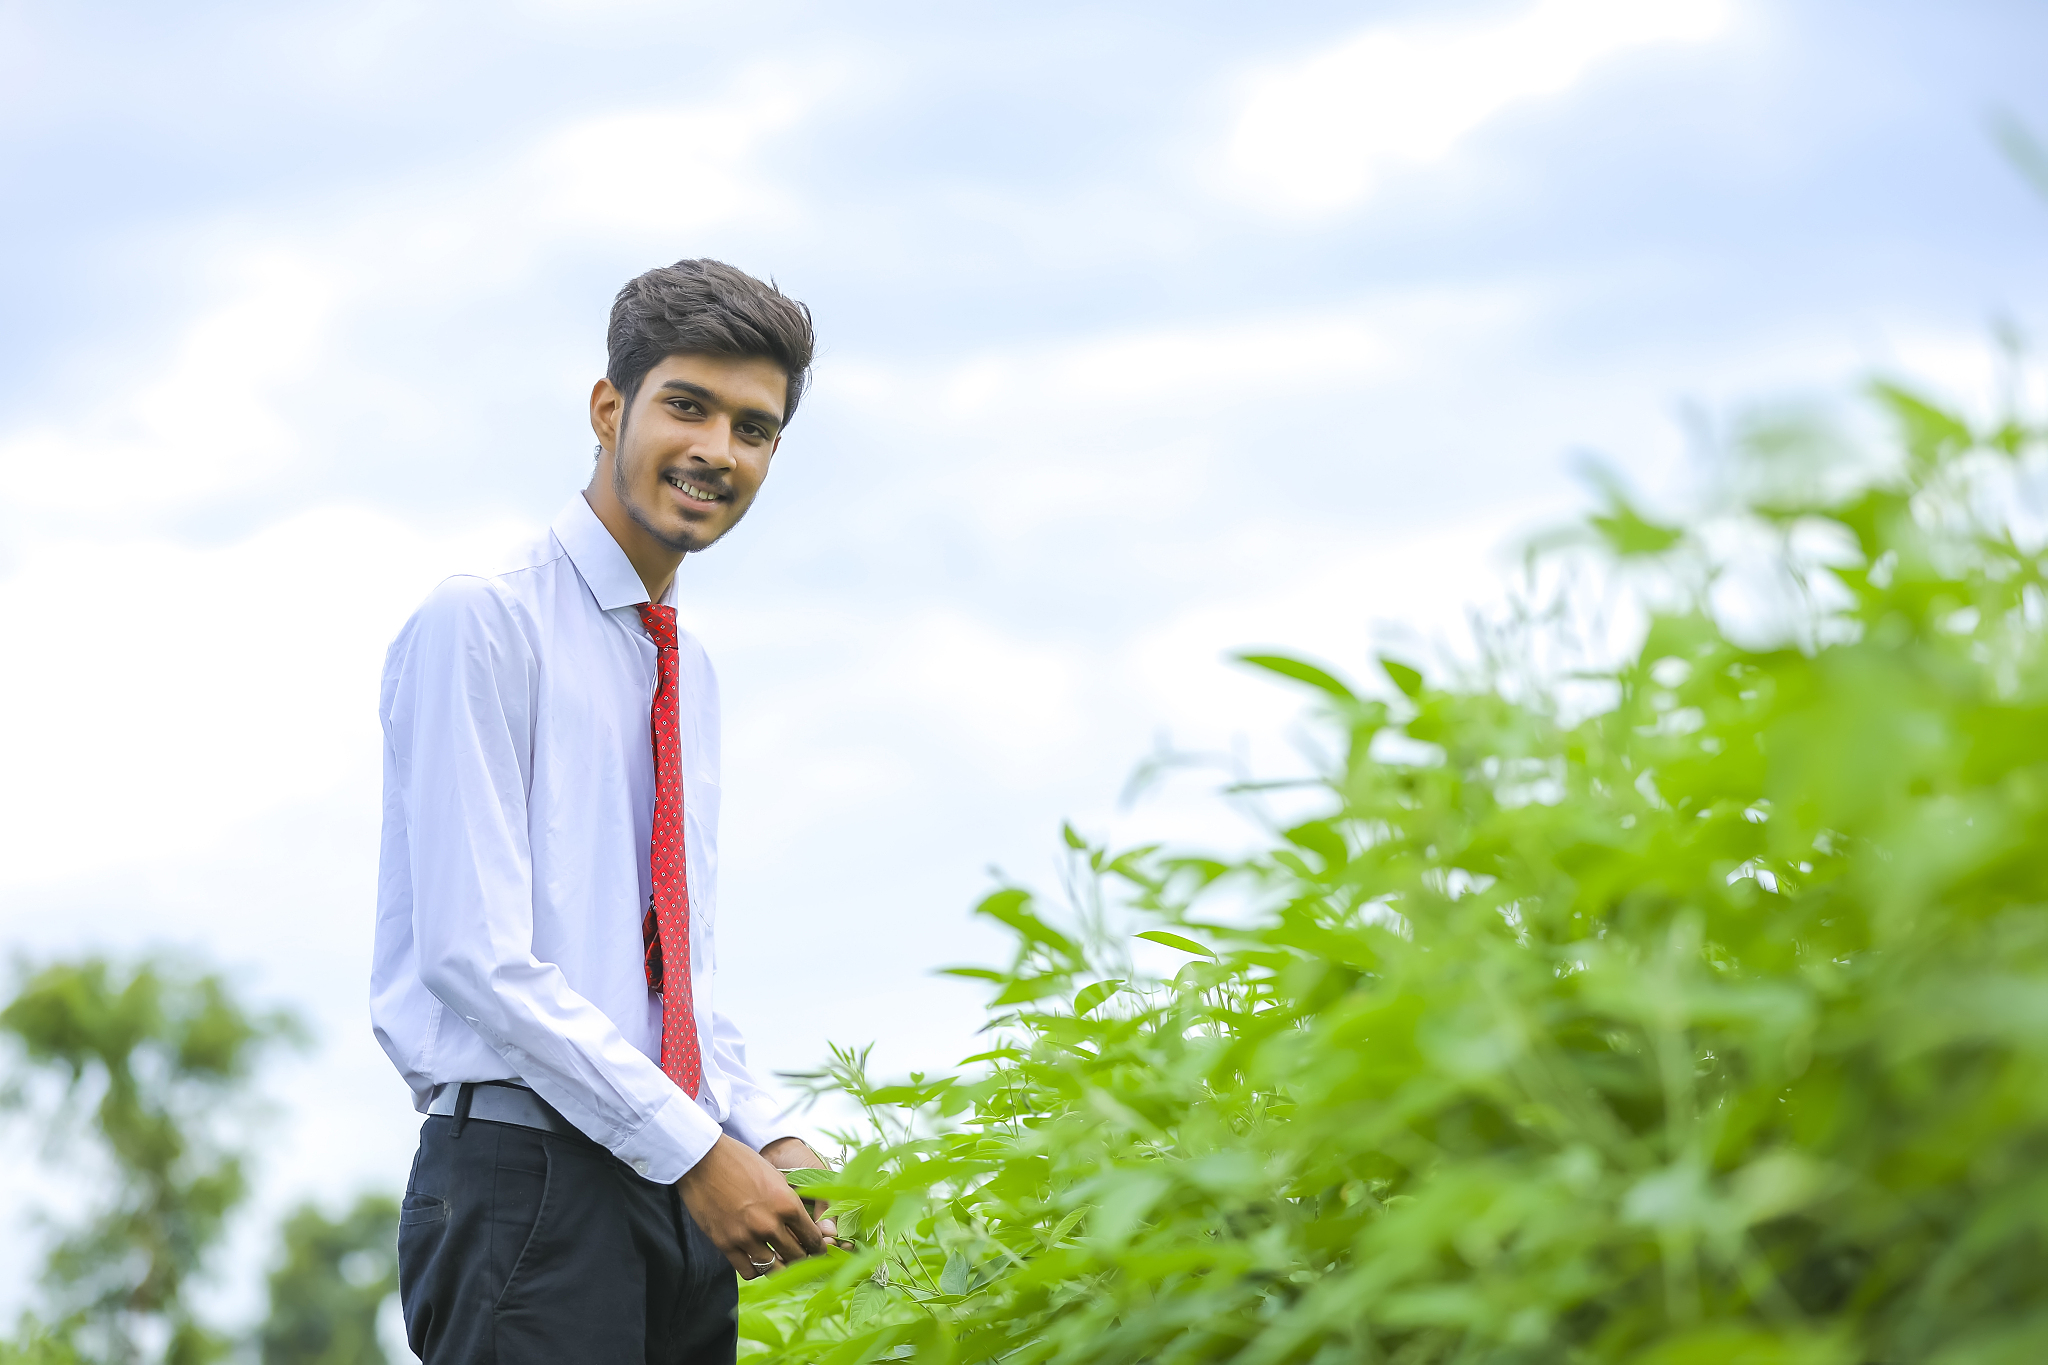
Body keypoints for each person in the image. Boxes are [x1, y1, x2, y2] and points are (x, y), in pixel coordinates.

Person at [370, 259, 830, 1364]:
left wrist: (769, 1129)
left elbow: (673, 975)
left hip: (669, 1190)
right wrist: (697, 1151)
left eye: (754, 428)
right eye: (689, 406)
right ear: (608, 407)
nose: (718, 450)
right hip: (528, 1190)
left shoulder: (685, 666)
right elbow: (476, 958)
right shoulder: (482, 621)